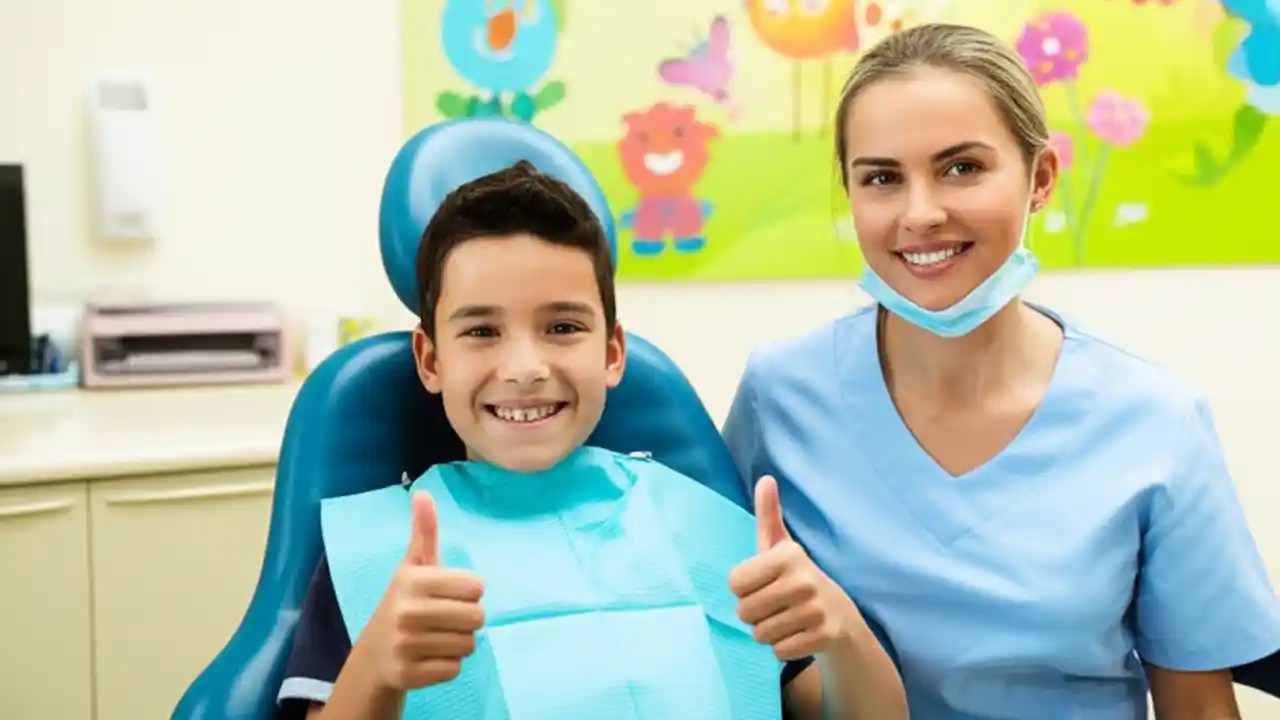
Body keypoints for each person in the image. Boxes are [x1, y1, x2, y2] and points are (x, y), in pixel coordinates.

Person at [722, 22, 1280, 720]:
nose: (921, 213)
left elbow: (1197, 709)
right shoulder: (780, 398)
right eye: (882, 179)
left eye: (962, 168)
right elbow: (729, 667)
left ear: (1039, 179)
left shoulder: (1155, 422)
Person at [276, 160, 908, 719]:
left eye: (561, 326)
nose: (525, 366)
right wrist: (376, 671)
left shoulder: (705, 528)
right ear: (430, 360)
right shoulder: (379, 558)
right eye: (481, 332)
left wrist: (840, 627)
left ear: (612, 353)